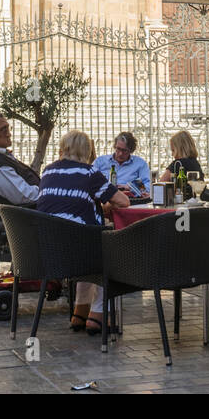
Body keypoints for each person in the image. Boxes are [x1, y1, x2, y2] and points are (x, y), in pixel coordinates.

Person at [36, 130, 129, 335]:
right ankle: (98, 314)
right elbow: (124, 202)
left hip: (49, 253)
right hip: (79, 252)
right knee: (108, 250)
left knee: (84, 239)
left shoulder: (48, 171)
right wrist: (103, 206)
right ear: (88, 151)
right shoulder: (88, 173)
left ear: (63, 149)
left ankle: (80, 312)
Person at [91, 131, 150, 196]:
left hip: (130, 200)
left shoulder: (140, 164)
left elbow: (148, 185)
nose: (120, 153)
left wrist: (131, 187)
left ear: (131, 150)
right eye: (118, 149)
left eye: (124, 150)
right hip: (103, 199)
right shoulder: (100, 161)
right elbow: (89, 180)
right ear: (114, 146)